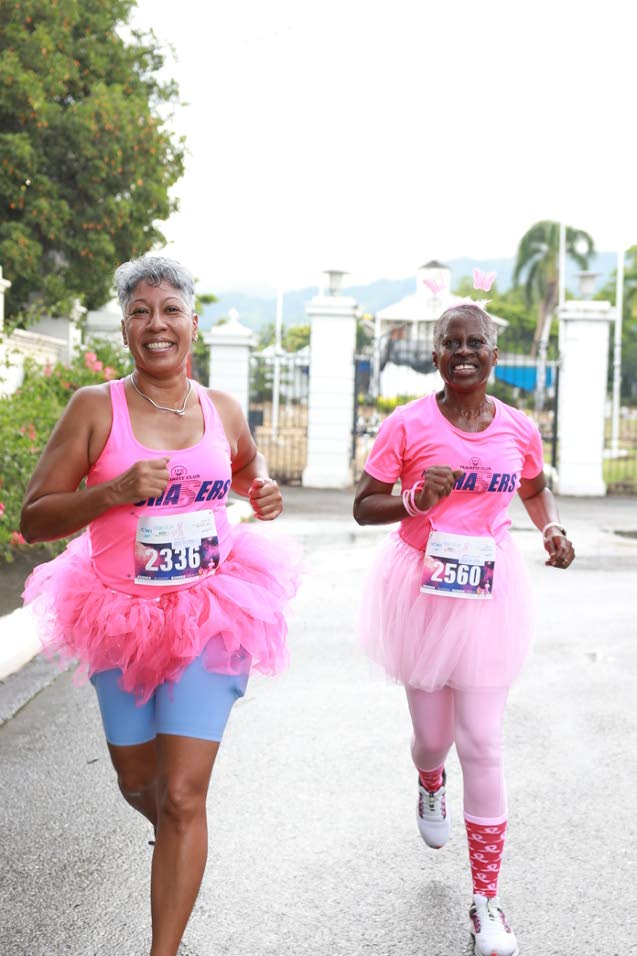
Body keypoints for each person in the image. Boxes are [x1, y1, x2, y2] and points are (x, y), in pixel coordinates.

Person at [20, 256, 300, 956]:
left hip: (211, 611)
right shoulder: (94, 406)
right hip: (118, 614)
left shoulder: (221, 408)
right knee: (137, 779)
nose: (156, 324)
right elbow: (36, 516)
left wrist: (260, 487)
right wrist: (112, 493)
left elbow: (243, 465)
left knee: (181, 794)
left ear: (193, 323)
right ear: (125, 328)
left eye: (169, 309)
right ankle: (178, 836)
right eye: (140, 311)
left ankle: (163, 939)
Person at [353, 302, 574, 956]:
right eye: (450, 343)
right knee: (432, 739)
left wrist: (550, 527)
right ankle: (428, 779)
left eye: (474, 342)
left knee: (480, 740)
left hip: (488, 593)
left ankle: (485, 903)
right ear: (435, 356)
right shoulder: (406, 425)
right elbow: (364, 505)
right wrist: (417, 499)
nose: (463, 352)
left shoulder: (516, 427)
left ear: (492, 354)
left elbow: (534, 488)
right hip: (421, 591)